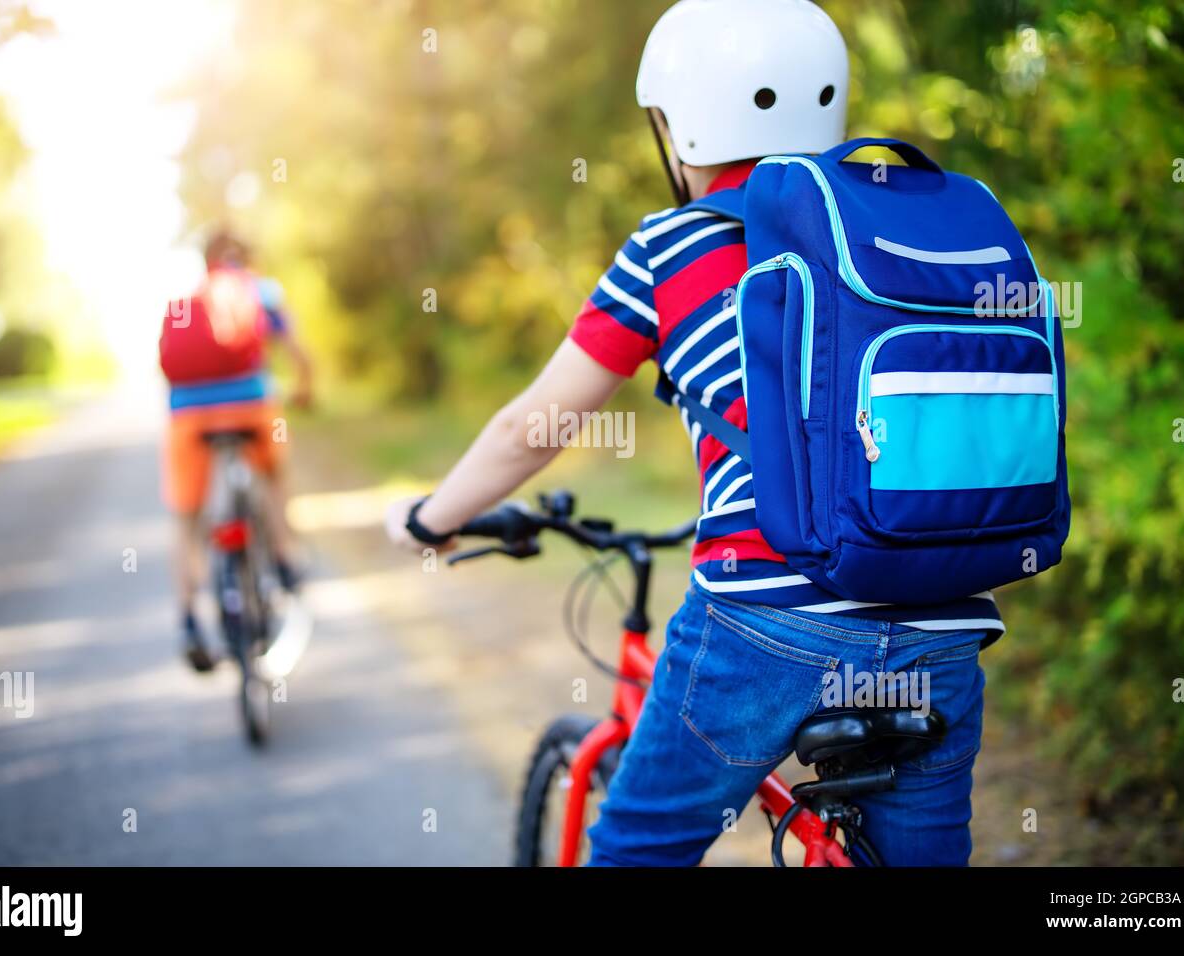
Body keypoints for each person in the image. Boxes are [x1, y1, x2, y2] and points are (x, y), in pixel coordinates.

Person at [386, 0, 993, 866]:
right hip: (946, 618)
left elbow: (537, 423)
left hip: (767, 617)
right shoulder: (905, 225)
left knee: (639, 847)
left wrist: (430, 518)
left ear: (684, 127)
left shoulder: (671, 245)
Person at [160, 230, 313, 672]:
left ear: (207, 260)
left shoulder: (189, 299)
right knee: (274, 475)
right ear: (248, 258)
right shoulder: (261, 292)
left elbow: (167, 365)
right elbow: (296, 350)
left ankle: (188, 619)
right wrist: (305, 388)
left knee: (186, 519)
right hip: (251, 404)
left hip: (188, 414)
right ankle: (285, 559)